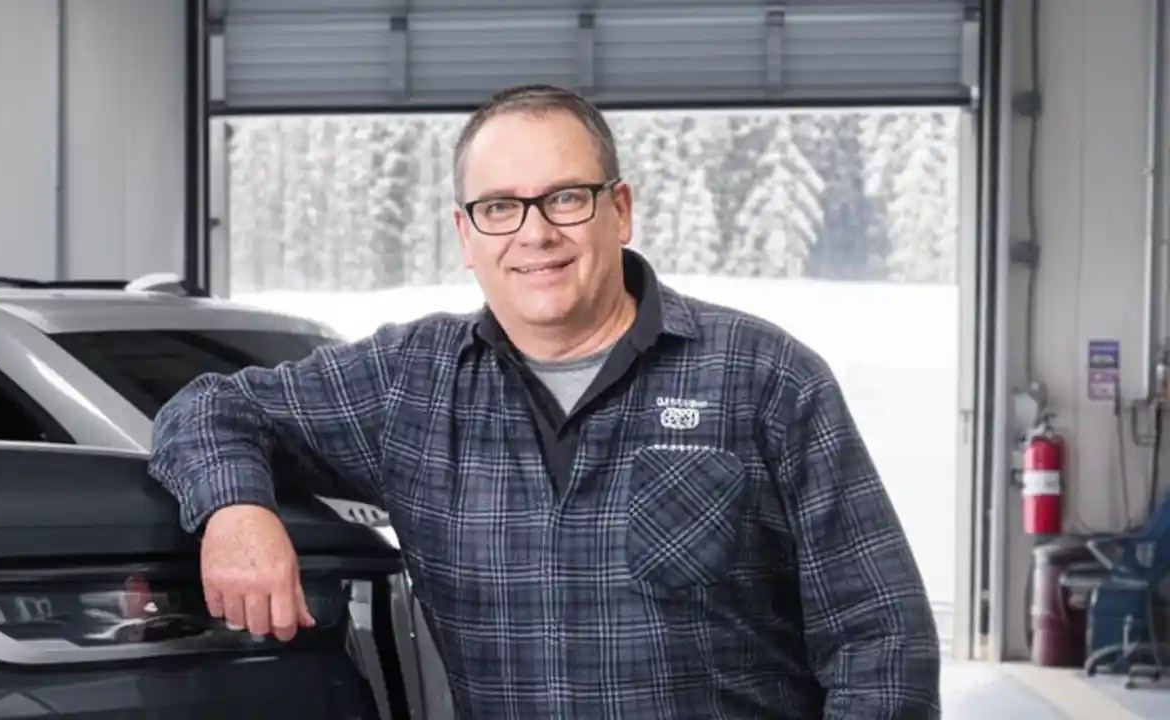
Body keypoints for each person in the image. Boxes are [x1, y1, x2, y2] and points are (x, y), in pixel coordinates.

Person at [149, 84, 941, 718]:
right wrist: (236, 510)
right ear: (466, 235)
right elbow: (208, 407)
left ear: (619, 210)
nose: (534, 234)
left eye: (566, 198)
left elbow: (882, 643)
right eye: (500, 208)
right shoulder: (410, 385)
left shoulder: (765, 378)